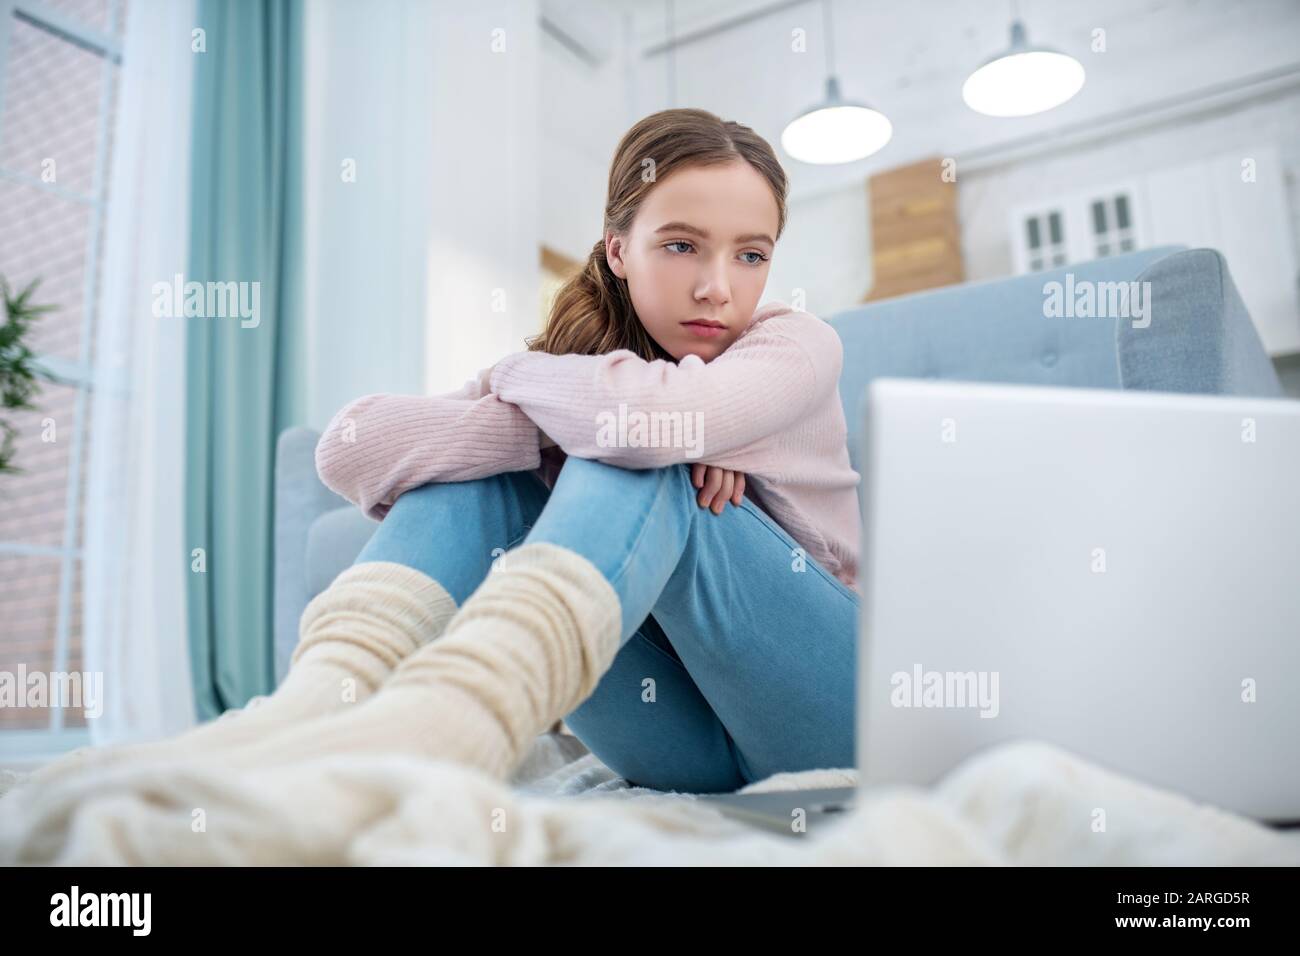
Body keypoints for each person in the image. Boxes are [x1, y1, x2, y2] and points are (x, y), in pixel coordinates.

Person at [31, 108, 862, 795]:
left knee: (628, 451)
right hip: (678, 748)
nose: (719, 285)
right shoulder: (575, 384)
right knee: (524, 464)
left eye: (751, 254)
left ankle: (463, 714)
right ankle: (319, 704)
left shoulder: (792, 346)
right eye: (682, 246)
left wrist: (565, 408)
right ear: (618, 250)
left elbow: (645, 428)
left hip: (823, 711)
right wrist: (548, 421)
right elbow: (351, 447)